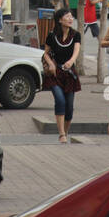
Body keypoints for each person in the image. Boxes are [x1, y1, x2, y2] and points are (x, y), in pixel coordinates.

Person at [42, 8, 82, 144]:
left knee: (69, 107)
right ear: (60, 20)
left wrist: (71, 61)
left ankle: (65, 131)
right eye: (67, 17)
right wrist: (50, 64)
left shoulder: (76, 35)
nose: (71, 19)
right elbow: (45, 53)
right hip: (55, 74)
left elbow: (76, 50)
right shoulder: (52, 35)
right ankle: (61, 134)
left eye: (71, 17)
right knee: (60, 100)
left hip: (69, 74)